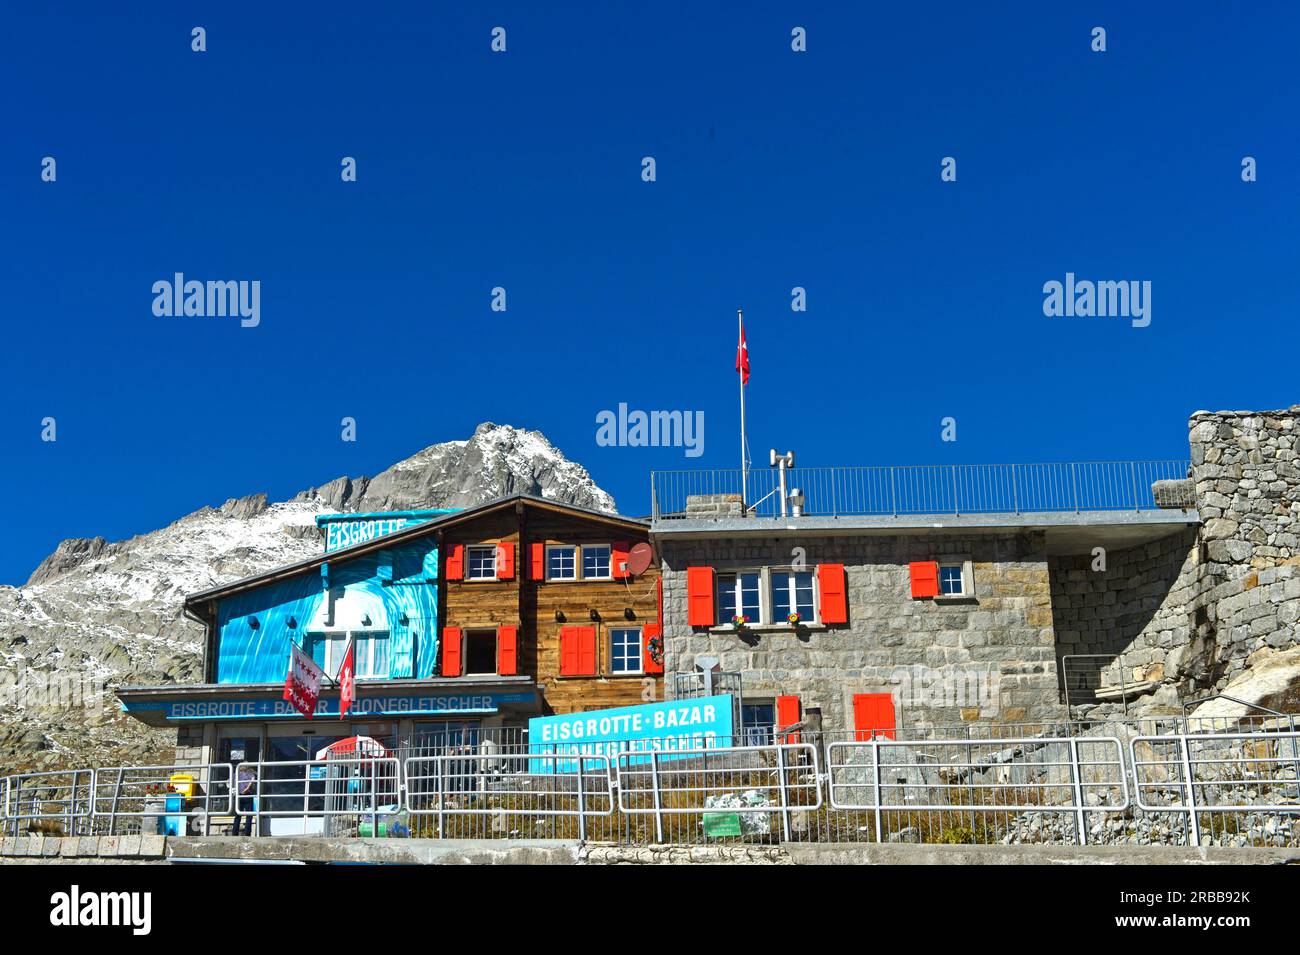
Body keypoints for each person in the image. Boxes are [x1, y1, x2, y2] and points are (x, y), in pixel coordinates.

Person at [232, 763, 257, 837]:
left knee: (237, 815)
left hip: (238, 795)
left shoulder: (236, 774)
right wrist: (247, 789)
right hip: (247, 795)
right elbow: (252, 781)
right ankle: (247, 833)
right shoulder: (250, 774)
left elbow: (232, 784)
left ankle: (234, 833)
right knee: (249, 815)